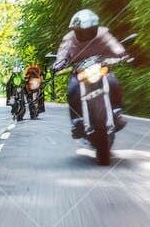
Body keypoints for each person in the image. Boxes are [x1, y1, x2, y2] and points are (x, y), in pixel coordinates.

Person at [50, 9, 128, 138]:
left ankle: (117, 113)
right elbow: (63, 54)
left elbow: (114, 45)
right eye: (83, 32)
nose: (87, 34)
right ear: (75, 30)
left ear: (95, 28)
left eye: (90, 30)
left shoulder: (103, 33)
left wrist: (122, 54)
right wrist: (59, 64)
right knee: (72, 89)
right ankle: (77, 121)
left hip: (101, 68)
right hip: (80, 72)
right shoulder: (69, 38)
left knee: (113, 82)